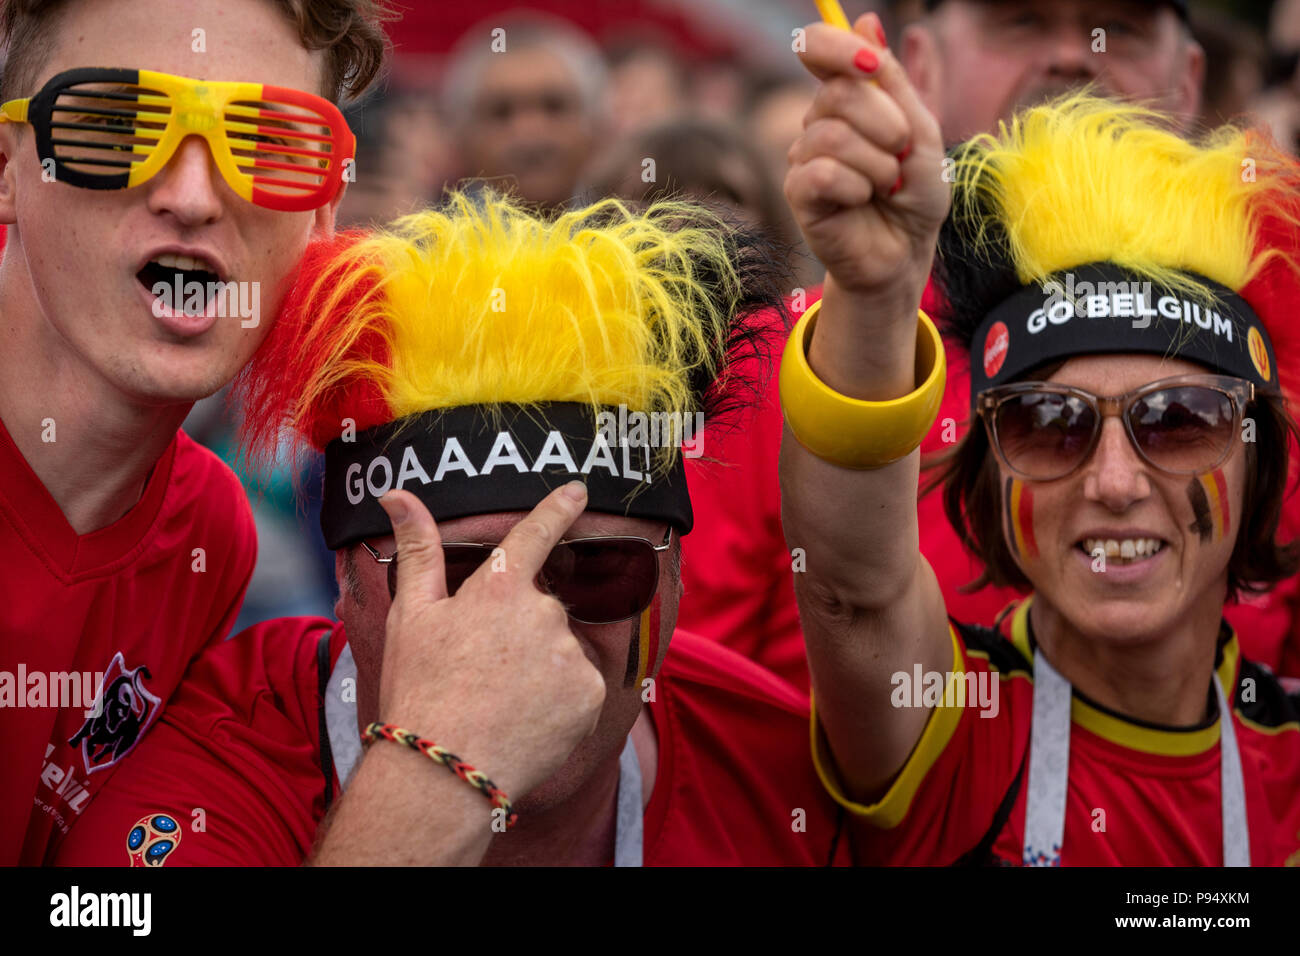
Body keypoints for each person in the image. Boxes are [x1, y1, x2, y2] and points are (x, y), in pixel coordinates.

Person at [54, 192, 850, 866]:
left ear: (674, 582)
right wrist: (443, 770)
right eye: (455, 574)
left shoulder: (777, 769)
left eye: (598, 569)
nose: (521, 630)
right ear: (347, 582)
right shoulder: (206, 776)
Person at [781, 14, 1300, 864]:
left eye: (1177, 421)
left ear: (1258, 458)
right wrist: (875, 292)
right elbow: (852, 591)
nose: (1116, 482)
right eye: (1049, 426)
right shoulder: (949, 724)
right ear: (990, 474)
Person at [678, 1, 1300, 690]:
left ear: (1188, 80)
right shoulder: (787, 357)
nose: (1071, 56)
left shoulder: (1277, 350)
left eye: (1117, 26)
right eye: (1021, 21)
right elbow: (693, 725)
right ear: (921, 67)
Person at [0, 0, 389, 864]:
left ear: (323, 214)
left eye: (270, 142)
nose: (189, 197)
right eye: (111, 126)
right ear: (5, 166)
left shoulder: (208, 534)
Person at [441, 13, 607, 211]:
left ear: (596, 126)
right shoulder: (427, 240)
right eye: (501, 112)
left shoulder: (639, 238)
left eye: (553, 106)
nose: (529, 132)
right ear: (463, 137)